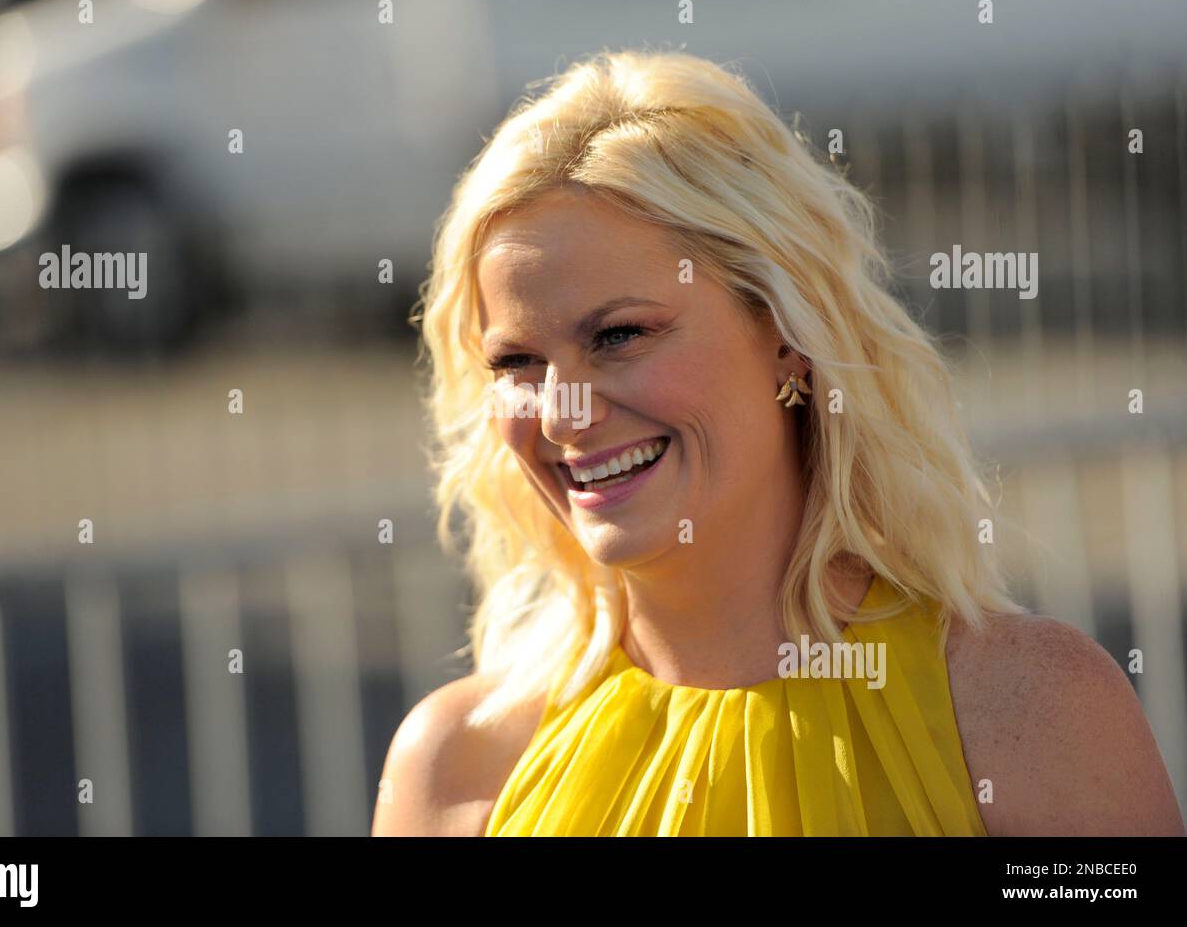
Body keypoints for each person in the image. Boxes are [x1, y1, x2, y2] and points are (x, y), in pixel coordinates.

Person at [371, 49, 1184, 836]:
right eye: (516, 362)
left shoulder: (1029, 713)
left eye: (619, 336)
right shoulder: (456, 768)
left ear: (790, 336)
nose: (561, 415)